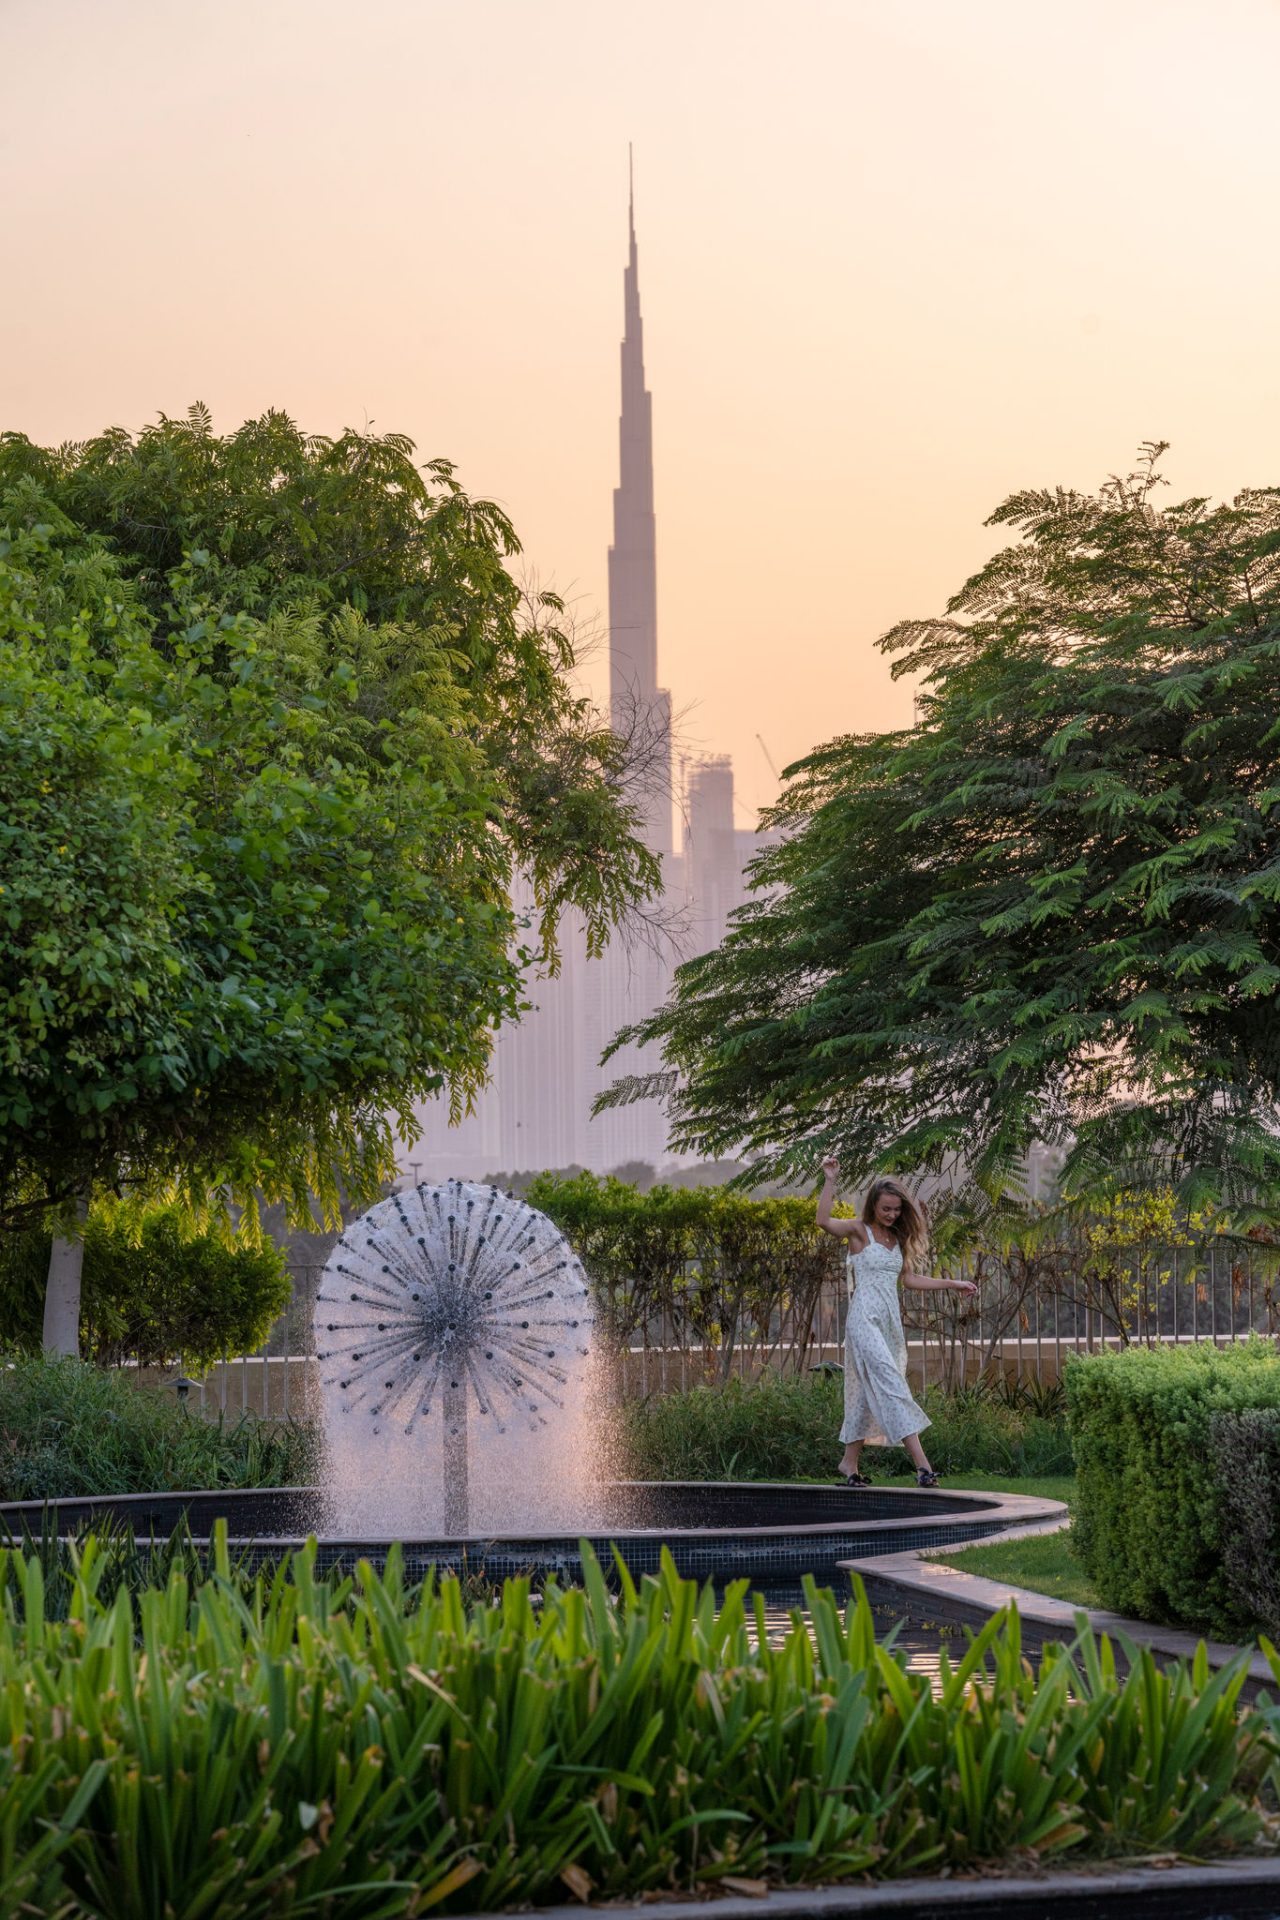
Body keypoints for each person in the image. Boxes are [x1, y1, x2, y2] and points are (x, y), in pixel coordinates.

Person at [816, 1160, 977, 1488]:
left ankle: (849, 1463)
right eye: (886, 1209)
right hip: (863, 1319)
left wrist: (953, 1284)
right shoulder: (860, 1232)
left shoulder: (896, 1240)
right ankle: (923, 1467)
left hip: (888, 1323)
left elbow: (909, 1279)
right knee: (891, 1384)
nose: (891, 1215)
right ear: (873, 1204)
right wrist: (830, 1180)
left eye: (896, 1210)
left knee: (865, 1391)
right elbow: (823, 1221)